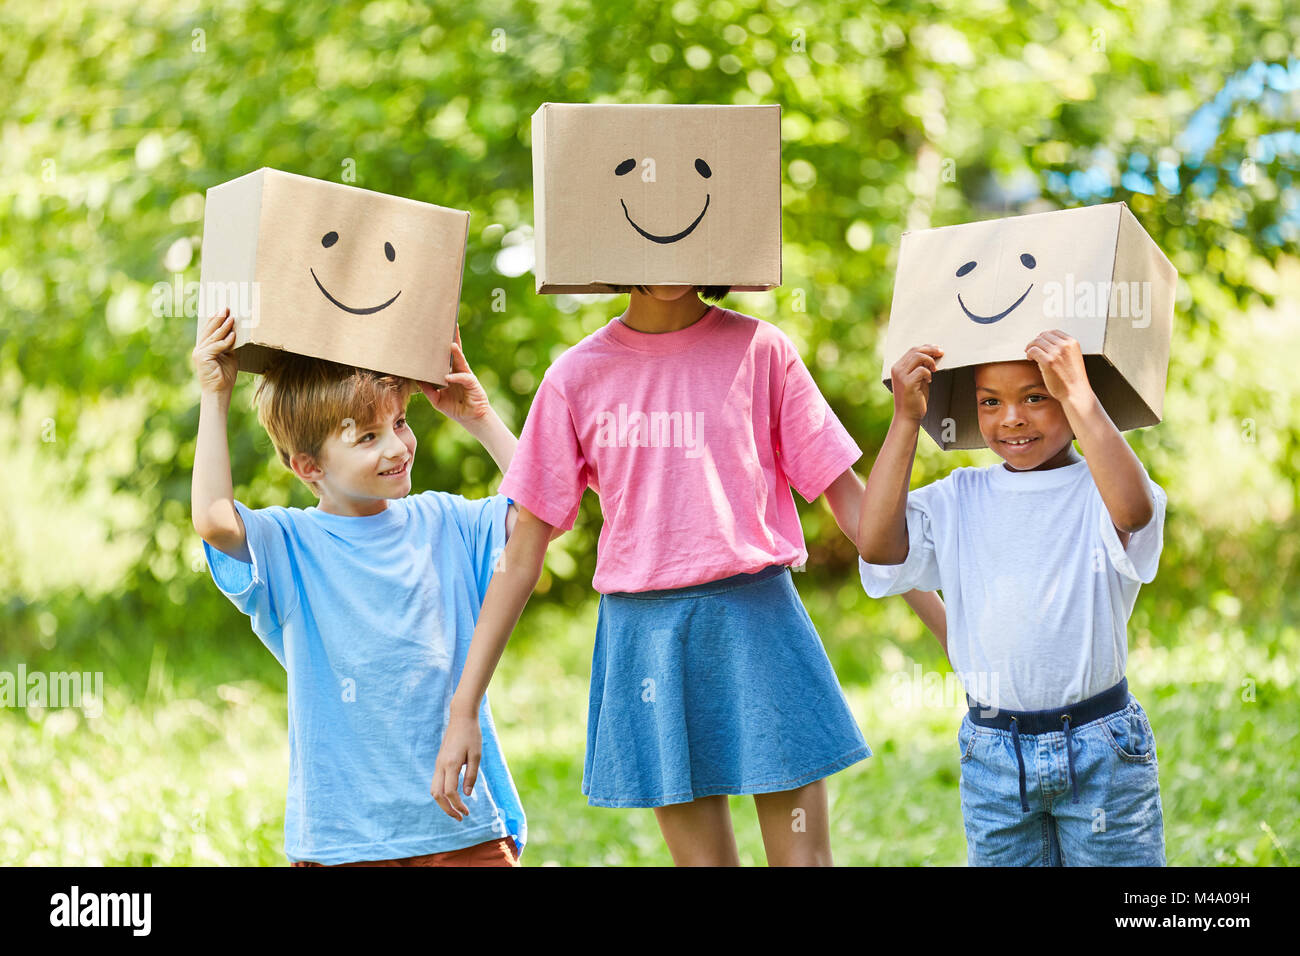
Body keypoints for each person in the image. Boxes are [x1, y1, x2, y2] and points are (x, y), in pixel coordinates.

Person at [432, 285, 945, 866]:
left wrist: (954, 633)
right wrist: (464, 707)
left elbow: (861, 520)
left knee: (804, 860)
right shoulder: (575, 376)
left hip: (759, 627)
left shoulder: (762, 351)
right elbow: (521, 555)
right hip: (647, 645)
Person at [191, 307, 527, 866]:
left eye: (400, 423)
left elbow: (545, 514)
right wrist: (214, 395)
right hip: (345, 839)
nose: (396, 447)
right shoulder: (289, 544)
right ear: (307, 466)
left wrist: (480, 417)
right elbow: (216, 521)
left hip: (462, 826)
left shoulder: (447, 522)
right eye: (367, 437)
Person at [858, 330, 1167, 866]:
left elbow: (1135, 513)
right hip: (995, 754)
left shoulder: (1101, 489)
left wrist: (1078, 392)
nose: (1012, 419)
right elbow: (879, 545)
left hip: (1101, 749)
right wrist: (905, 420)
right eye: (990, 402)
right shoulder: (959, 498)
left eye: (1036, 396)